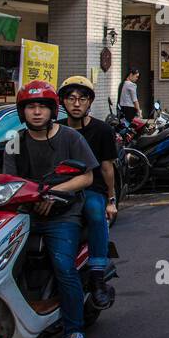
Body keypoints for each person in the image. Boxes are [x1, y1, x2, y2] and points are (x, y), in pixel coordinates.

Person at [4, 81, 99, 338]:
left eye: (42, 107)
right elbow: (9, 179)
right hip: (25, 214)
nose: (36, 113)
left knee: (63, 267)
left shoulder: (71, 137)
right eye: (30, 107)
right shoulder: (14, 139)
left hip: (63, 215)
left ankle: (74, 334)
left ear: (51, 111)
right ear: (23, 112)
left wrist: (55, 192)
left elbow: (87, 177)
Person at [59, 76, 117, 310]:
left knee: (95, 212)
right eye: (71, 98)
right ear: (63, 102)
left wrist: (110, 200)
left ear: (89, 102)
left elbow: (106, 168)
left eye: (82, 99)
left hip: (91, 188)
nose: (76, 103)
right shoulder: (56, 130)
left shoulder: (102, 130)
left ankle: (97, 276)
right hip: (61, 188)